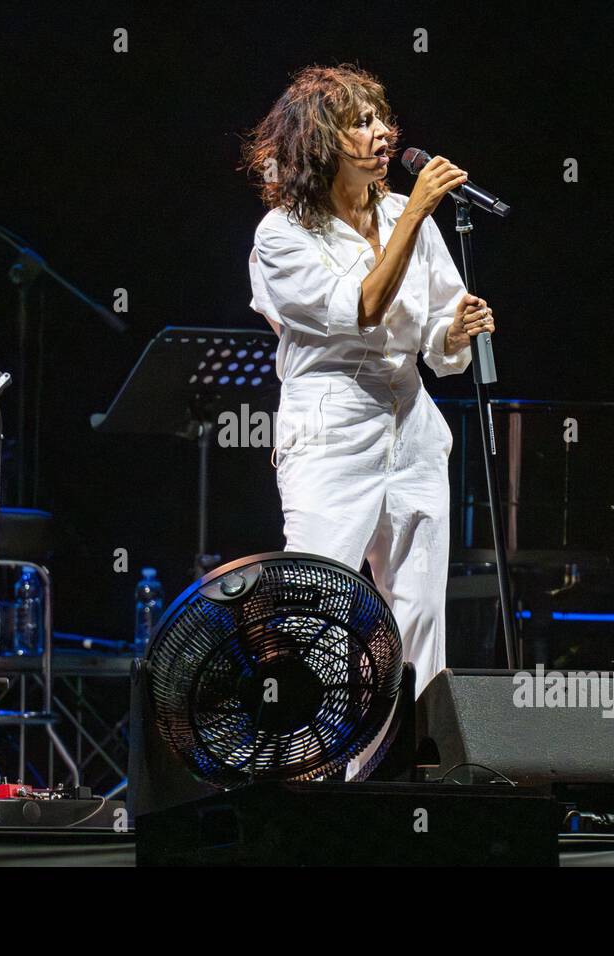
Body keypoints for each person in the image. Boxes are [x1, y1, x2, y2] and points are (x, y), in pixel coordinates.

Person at [245, 64, 497, 701]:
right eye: (362, 122)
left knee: (420, 615)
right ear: (323, 142)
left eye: (383, 118)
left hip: (411, 431)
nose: (385, 133)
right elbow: (359, 311)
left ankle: (410, 771)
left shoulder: (403, 214)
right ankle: (311, 772)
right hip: (330, 433)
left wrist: (455, 332)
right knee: (317, 609)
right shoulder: (284, 235)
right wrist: (413, 214)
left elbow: (434, 327)